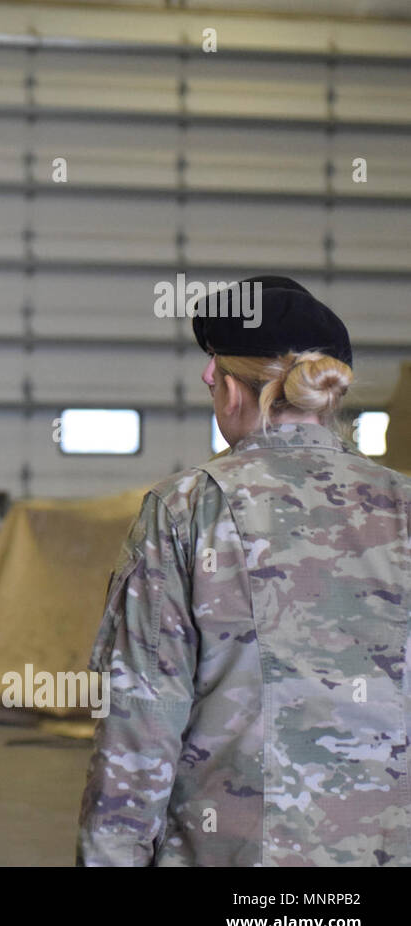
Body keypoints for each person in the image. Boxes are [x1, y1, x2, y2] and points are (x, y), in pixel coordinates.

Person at [77, 276, 411, 866]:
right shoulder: (402, 505)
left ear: (228, 387)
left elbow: (141, 719)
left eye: (213, 367)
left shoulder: (188, 507)